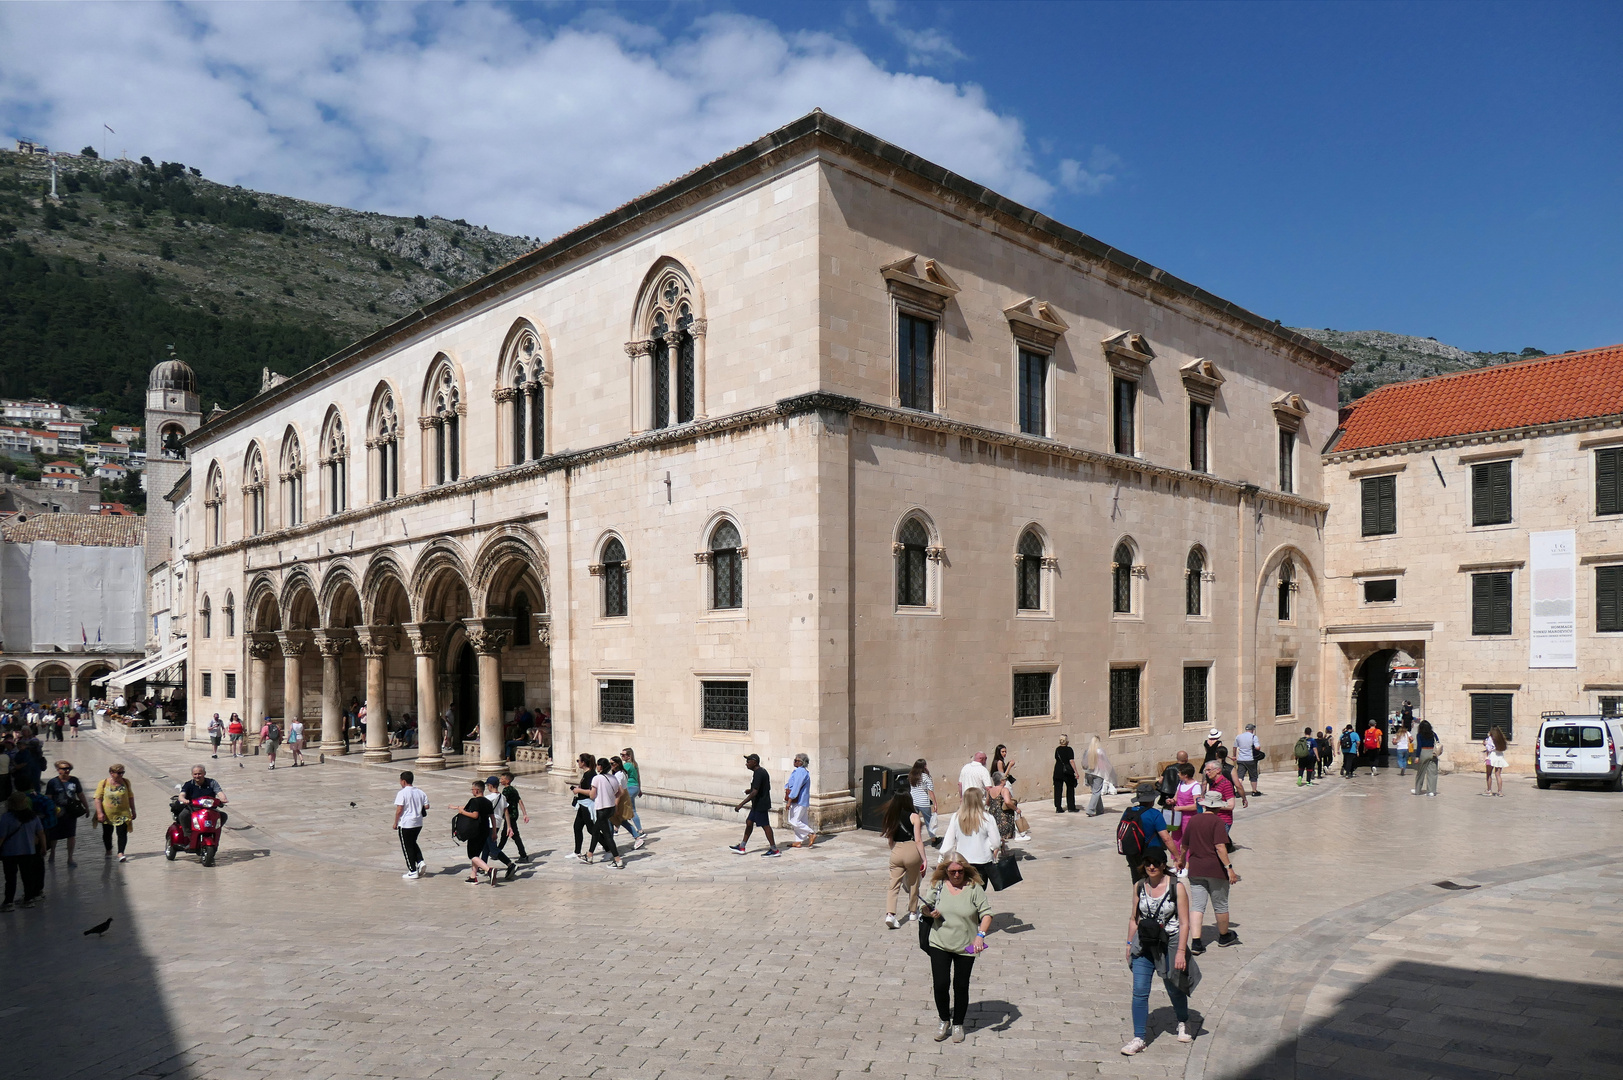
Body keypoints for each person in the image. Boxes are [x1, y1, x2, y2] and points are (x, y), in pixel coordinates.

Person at [1120, 847, 1194, 1055]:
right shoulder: (1139, 886)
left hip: (1169, 943)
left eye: (1156, 863)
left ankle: (1183, 1021)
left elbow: (1185, 922)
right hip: (1144, 943)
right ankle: (1139, 1038)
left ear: (1163, 865)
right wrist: (1128, 944)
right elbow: (1134, 918)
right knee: (1140, 991)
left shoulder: (1176, 888)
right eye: (1148, 863)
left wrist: (1180, 951)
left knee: (1173, 987)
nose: (1151, 867)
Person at [920, 853, 993, 1044]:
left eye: (960, 871)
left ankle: (959, 1023)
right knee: (941, 984)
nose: (957, 875)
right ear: (945, 871)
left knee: (961, 985)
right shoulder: (939, 886)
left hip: (967, 945)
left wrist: (980, 936)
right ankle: (944, 1020)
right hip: (939, 942)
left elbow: (986, 914)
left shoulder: (974, 888)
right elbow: (924, 907)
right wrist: (929, 911)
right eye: (953, 871)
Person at [1181, 790, 1240, 954]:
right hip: (1215, 870)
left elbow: (1184, 845)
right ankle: (1224, 936)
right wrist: (1229, 868)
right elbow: (1220, 846)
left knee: (1197, 905)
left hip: (1196, 868)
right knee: (1220, 904)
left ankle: (1196, 942)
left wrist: (1181, 860)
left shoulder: (1193, 820)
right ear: (1218, 807)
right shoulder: (1218, 822)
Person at [882, 789, 926, 928]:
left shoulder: (891, 816)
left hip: (897, 851)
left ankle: (890, 914)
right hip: (912, 850)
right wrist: (924, 859)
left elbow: (890, 840)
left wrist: (894, 851)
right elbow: (918, 840)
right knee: (913, 882)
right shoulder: (914, 817)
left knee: (893, 885)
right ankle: (913, 911)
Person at [939, 787, 1001, 882]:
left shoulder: (956, 817)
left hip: (962, 861)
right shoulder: (987, 818)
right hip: (983, 860)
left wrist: (942, 858)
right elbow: (996, 842)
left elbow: (948, 841)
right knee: (979, 891)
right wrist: (990, 848)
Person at [1119, 783, 1178, 883]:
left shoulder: (1128, 811)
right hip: (1151, 855)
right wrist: (1177, 856)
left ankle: (1137, 897)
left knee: (1137, 881)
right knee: (1154, 883)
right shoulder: (1155, 814)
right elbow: (1166, 838)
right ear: (1152, 799)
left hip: (1133, 853)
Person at [0, 790, 48, 911]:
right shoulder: (33, 817)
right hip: (28, 851)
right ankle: (28, 899)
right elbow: (41, 833)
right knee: (27, 876)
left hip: (9, 853)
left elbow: (2, 837)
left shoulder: (6, 818)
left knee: (10, 878)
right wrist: (43, 847)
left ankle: (8, 902)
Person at [728, 753, 778, 857]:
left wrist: (741, 804)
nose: (746, 764)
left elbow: (755, 792)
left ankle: (774, 849)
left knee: (765, 826)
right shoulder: (759, 772)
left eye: (748, 761)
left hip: (761, 804)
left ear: (754, 762)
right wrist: (749, 790)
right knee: (749, 822)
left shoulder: (759, 773)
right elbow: (758, 788)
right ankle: (742, 846)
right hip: (757, 803)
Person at [450, 779, 497, 885]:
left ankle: (489, 870)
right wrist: (494, 832)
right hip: (485, 830)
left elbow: (474, 815)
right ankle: (473, 877)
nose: (472, 791)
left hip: (475, 831)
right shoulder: (487, 802)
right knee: (476, 854)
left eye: (472, 789)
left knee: (472, 855)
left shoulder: (474, 801)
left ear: (476, 790)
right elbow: (492, 818)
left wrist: (461, 812)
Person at [44, 760, 89, 867]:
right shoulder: (52, 782)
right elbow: (49, 798)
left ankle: (70, 858)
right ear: (58, 770)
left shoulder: (74, 780)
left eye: (68, 768)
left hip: (70, 811)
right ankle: (52, 852)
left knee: (71, 835)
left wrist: (86, 807)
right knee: (54, 835)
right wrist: (52, 810)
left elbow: (80, 794)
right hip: (58, 812)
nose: (67, 770)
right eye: (64, 769)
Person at [586, 758, 626, 868]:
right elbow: (621, 791)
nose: (597, 766)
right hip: (610, 808)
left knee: (606, 835)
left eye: (598, 765)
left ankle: (618, 860)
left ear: (601, 767)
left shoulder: (597, 778)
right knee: (595, 831)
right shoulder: (613, 778)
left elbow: (592, 795)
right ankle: (589, 855)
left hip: (602, 808)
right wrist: (613, 798)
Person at [94, 762, 136, 861]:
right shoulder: (103, 783)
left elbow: (130, 797)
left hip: (123, 812)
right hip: (107, 813)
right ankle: (108, 850)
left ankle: (120, 853)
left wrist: (133, 810)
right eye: (118, 773)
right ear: (111, 773)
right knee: (107, 833)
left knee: (122, 833)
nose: (121, 775)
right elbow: (98, 798)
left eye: (122, 773)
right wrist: (99, 813)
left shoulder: (126, 782)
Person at [392, 770, 429, 879]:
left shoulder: (402, 793)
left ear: (403, 781)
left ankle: (412, 870)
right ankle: (420, 861)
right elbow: (426, 806)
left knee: (407, 846)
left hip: (406, 824)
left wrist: (395, 822)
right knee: (412, 843)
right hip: (418, 822)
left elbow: (399, 809)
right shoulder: (420, 792)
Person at [481, 776, 517, 880]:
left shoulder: (488, 798)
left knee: (493, 849)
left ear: (491, 786)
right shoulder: (503, 797)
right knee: (486, 846)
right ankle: (482, 866)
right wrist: (509, 826)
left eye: (488, 785)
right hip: (497, 823)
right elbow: (506, 812)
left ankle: (510, 864)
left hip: (489, 824)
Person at [567, 752, 597, 862]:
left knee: (591, 829)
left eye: (578, 761)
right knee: (577, 827)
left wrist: (578, 790)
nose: (578, 763)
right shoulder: (586, 774)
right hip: (582, 804)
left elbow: (591, 791)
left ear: (583, 762)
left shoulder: (591, 774)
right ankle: (577, 851)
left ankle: (609, 848)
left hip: (587, 805)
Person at [497, 770, 530, 860]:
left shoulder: (506, 790)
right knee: (505, 834)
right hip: (514, 815)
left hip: (510, 815)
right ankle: (497, 851)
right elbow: (520, 801)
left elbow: (502, 802)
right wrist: (524, 814)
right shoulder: (514, 790)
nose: (500, 780)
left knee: (513, 835)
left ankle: (523, 855)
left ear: (507, 781)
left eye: (502, 779)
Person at [784, 752, 815, 848]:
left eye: (796, 760)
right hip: (803, 801)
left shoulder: (800, 772)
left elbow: (796, 787)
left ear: (801, 762)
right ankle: (798, 841)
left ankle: (811, 833)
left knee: (794, 820)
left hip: (798, 801)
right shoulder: (802, 772)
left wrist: (789, 800)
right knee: (802, 820)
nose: (794, 762)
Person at [1169, 763, 1200, 844]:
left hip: (1189, 818)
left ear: (1185, 775)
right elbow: (1176, 797)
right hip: (1178, 816)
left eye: (1179, 772)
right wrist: (1172, 801)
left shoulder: (1195, 786)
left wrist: (1180, 808)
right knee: (1176, 839)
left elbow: (1196, 806)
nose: (1178, 774)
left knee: (1187, 840)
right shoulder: (1181, 783)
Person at [619, 747, 646, 838]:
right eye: (621, 754)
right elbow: (638, 777)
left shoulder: (627, 765)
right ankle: (616, 828)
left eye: (623, 755)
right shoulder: (635, 764)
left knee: (630, 810)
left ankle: (640, 830)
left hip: (629, 787)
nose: (622, 756)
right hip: (635, 787)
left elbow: (620, 775)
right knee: (626, 808)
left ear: (629, 756)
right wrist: (639, 789)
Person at [909, 759, 938, 841]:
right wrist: (935, 803)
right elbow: (931, 791)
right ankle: (933, 839)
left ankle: (913, 838)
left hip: (914, 801)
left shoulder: (911, 776)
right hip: (923, 802)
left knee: (913, 821)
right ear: (924, 766)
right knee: (929, 821)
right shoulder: (926, 777)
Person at [985, 771, 1018, 842]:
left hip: (993, 814)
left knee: (996, 832)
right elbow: (1007, 802)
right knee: (1003, 834)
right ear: (1001, 780)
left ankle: (1003, 850)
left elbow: (987, 803)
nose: (1006, 780)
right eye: (1005, 779)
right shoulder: (1004, 790)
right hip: (1004, 815)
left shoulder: (990, 790)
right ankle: (1003, 850)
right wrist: (1016, 809)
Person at [1083, 735, 1110, 816]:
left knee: (1096, 791)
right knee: (1096, 792)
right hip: (1098, 774)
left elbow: (1083, 764)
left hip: (1089, 773)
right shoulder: (1100, 752)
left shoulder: (1087, 751)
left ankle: (1100, 809)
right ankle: (1090, 810)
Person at [1413, 720, 1441, 797]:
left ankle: (1418, 790)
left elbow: (1419, 746)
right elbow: (1437, 742)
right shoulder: (1433, 734)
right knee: (1432, 773)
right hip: (1433, 752)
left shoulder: (1419, 735)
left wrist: (1417, 756)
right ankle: (1431, 791)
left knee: (1421, 772)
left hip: (1423, 752)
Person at [1233, 723, 1262, 796]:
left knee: (1240, 776)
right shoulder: (1253, 737)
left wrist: (1234, 755)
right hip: (1250, 759)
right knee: (1253, 776)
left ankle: (1238, 791)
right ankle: (1254, 791)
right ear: (1252, 730)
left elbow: (1235, 747)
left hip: (1241, 759)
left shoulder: (1239, 737)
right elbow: (1257, 747)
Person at [1053, 735, 1079, 813]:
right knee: (1070, 789)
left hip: (1058, 770)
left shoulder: (1057, 749)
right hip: (1067, 771)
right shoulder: (1069, 749)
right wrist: (1076, 772)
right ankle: (1071, 807)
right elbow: (1071, 761)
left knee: (1058, 789)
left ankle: (1058, 807)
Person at [1483, 726, 1509, 797]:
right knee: (1498, 775)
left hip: (1492, 756)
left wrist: (1485, 743)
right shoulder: (1501, 739)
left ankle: (1489, 790)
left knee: (1489, 774)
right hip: (1500, 756)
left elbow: (1489, 748)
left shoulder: (1490, 739)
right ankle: (1500, 791)